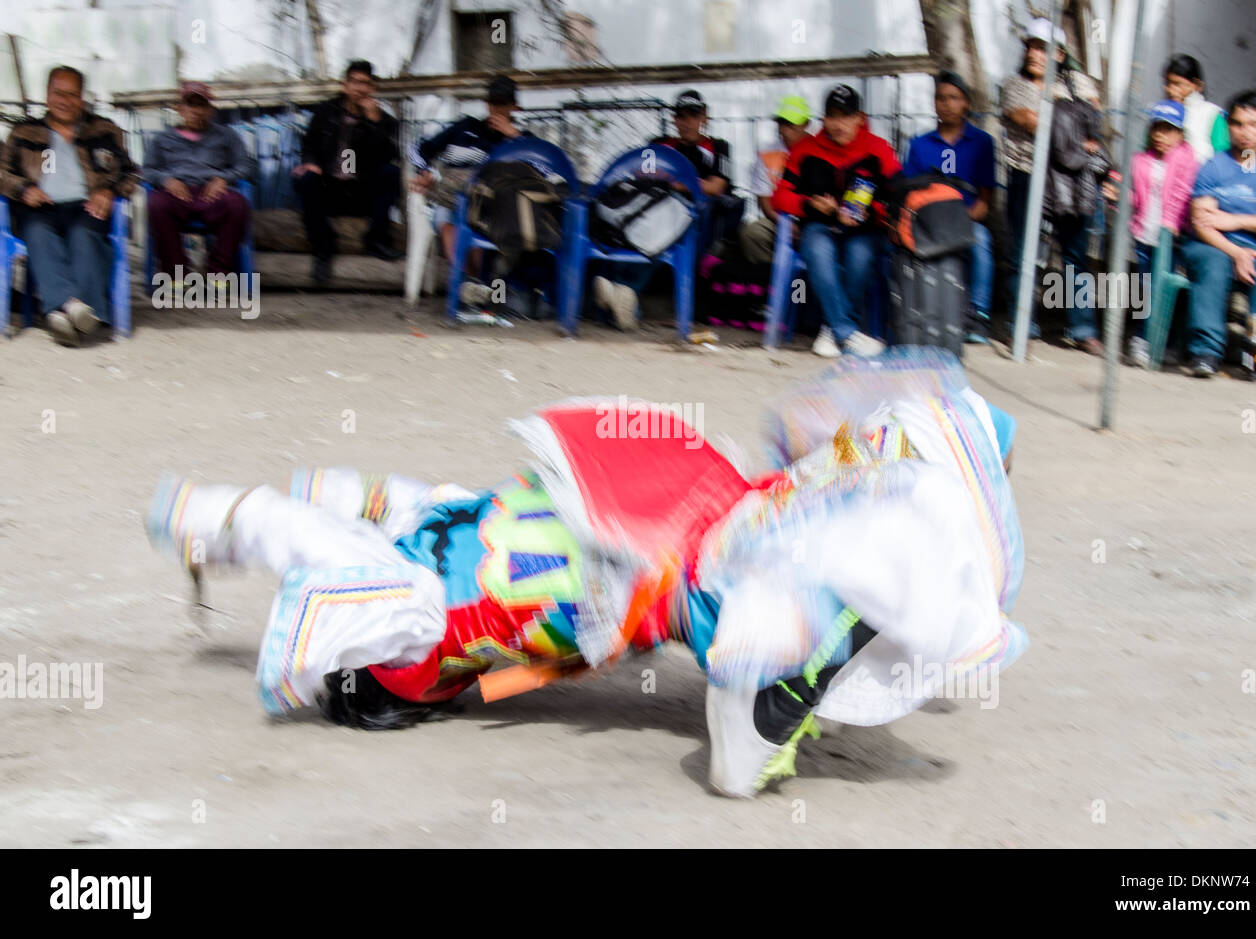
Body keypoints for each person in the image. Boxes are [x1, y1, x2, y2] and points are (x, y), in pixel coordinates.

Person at [145, 348, 1026, 799]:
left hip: (672, 545)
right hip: (668, 524)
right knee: (799, 536)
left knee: (806, 545)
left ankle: (893, 534)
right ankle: (906, 513)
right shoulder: (434, 571)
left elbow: (331, 520)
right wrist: (224, 521)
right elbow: (352, 502)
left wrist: (217, 521)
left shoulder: (425, 627)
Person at [0, 65, 138, 346]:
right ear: (47, 95)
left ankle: (61, 312)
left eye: (72, 94)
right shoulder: (24, 132)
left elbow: (131, 172)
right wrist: (23, 188)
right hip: (39, 207)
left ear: (82, 97)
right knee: (38, 233)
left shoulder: (105, 130)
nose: (64, 100)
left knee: (84, 236)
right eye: (57, 93)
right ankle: (77, 309)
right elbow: (2, 171)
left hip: (86, 206)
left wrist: (109, 191)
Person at [591, 89, 735, 329]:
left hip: (688, 216)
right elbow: (641, 177)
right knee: (630, 228)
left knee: (662, 234)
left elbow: (717, 186)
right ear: (674, 119)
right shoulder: (659, 145)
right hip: (650, 207)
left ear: (705, 117)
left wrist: (679, 184)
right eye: (681, 116)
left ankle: (622, 293)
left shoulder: (718, 147)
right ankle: (624, 299)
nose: (686, 122)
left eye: (693, 115)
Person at [772, 84, 898, 358]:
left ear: (859, 118)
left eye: (846, 116)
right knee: (818, 250)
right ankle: (847, 333)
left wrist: (871, 212)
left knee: (859, 256)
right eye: (832, 116)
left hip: (864, 230)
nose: (839, 124)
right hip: (819, 225)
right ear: (824, 119)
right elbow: (779, 197)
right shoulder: (806, 149)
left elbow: (898, 197)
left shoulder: (879, 150)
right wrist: (809, 204)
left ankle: (832, 329)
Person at [1001, 17, 1104, 347]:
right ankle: (1023, 323)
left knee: (1075, 255)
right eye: (1031, 46)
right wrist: (1073, 126)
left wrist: (1063, 125)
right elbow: (1031, 121)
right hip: (1028, 174)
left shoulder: (1079, 82)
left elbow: (1095, 124)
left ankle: (1083, 328)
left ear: (1059, 54)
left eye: (1042, 48)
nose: (1034, 53)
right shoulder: (1015, 85)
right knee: (1023, 253)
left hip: (1072, 179)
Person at [1183, 90, 1256, 378]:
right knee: (1215, 263)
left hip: (1254, 247)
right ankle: (1206, 351)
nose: (1246, 132)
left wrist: (1234, 220)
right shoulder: (1214, 166)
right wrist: (1235, 252)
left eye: (1254, 124)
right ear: (1229, 125)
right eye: (1238, 124)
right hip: (1211, 245)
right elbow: (1202, 222)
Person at [410, 73, 531, 310]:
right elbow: (418, 148)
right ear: (486, 103)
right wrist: (423, 170)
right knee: (448, 217)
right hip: (449, 197)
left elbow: (542, 167)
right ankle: (469, 285)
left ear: (514, 107)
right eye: (492, 102)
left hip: (490, 208)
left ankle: (470, 288)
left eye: (502, 104)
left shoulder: (521, 141)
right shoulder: (465, 127)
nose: (495, 109)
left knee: (472, 221)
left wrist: (512, 135)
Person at [903, 70, 997, 343]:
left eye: (954, 98)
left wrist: (967, 217)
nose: (947, 104)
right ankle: (927, 313)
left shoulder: (981, 143)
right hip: (929, 220)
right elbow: (911, 193)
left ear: (966, 103)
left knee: (980, 240)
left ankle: (979, 316)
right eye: (941, 98)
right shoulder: (920, 144)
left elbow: (985, 198)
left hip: (967, 218)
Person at [293, 60, 401, 286]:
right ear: (345, 85)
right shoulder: (326, 112)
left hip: (361, 191)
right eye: (356, 82)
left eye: (366, 84)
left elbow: (387, 155)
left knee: (391, 172)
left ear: (372, 89)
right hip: (330, 188)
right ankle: (324, 249)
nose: (361, 88)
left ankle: (376, 241)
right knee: (305, 179)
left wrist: (373, 123)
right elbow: (309, 144)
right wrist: (311, 162)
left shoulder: (384, 120)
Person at [143, 82, 255, 285]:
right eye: (190, 104)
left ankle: (218, 274)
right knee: (157, 205)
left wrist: (224, 179)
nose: (196, 111)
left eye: (201, 105)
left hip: (212, 194)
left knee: (237, 205)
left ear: (210, 110)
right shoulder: (162, 138)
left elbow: (246, 165)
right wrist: (166, 180)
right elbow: (147, 170)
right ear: (179, 108)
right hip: (177, 194)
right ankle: (177, 276)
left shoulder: (227, 135)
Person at [1125, 100, 1199, 367]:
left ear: (1180, 134)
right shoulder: (1140, 160)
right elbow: (1133, 193)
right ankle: (1141, 339)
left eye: (1168, 129)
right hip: (1144, 234)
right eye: (1157, 128)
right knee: (1144, 289)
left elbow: (1182, 194)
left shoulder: (1187, 160)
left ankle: (1163, 342)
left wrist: (1171, 225)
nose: (1161, 134)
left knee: (1163, 291)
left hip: (1171, 236)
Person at [738, 94, 813, 265]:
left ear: (806, 124)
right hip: (778, 219)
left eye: (791, 124)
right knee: (751, 234)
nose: (784, 130)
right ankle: (778, 279)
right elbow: (765, 203)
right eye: (781, 123)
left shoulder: (819, 149)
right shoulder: (767, 153)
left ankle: (803, 282)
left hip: (814, 222)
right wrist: (786, 225)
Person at [1162, 54, 1230, 165]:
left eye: (1177, 84)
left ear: (1198, 85)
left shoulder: (1211, 114)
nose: (1170, 90)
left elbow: (1221, 157)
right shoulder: (1161, 113)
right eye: (1167, 83)